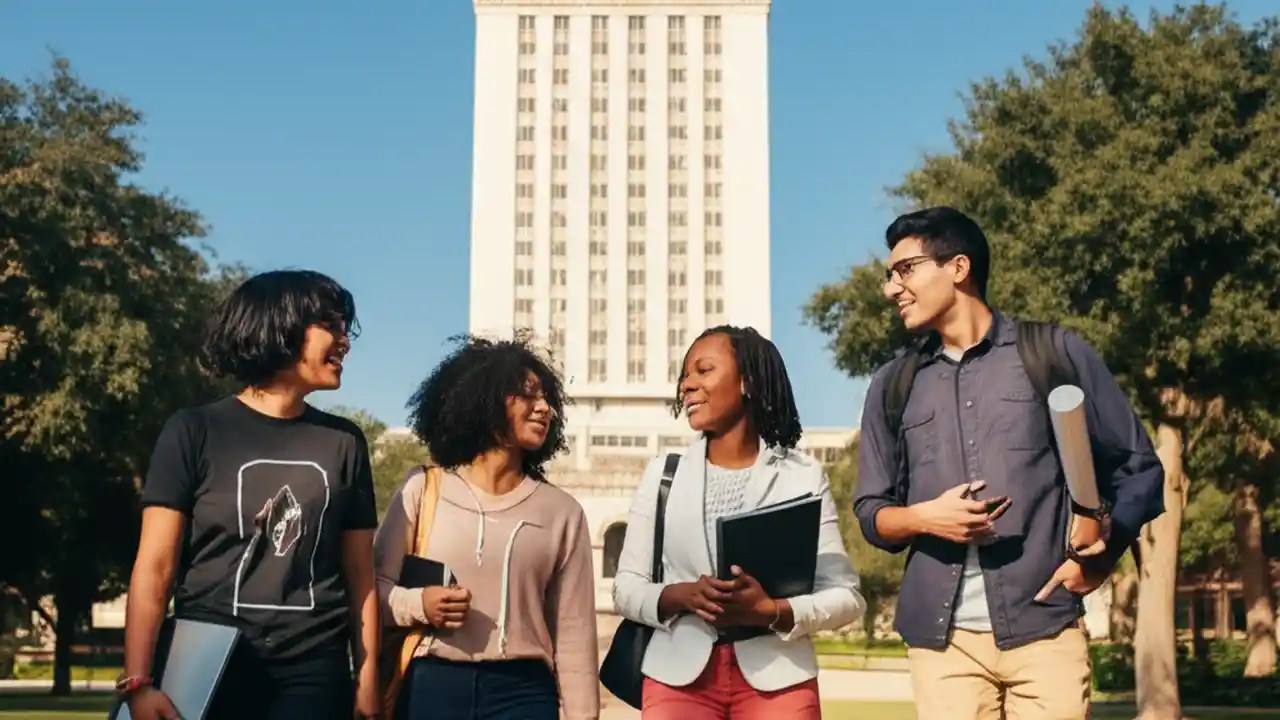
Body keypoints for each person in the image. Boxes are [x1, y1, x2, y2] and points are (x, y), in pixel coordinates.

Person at [853, 206, 1166, 720]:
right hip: (940, 644)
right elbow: (871, 511)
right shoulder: (893, 384)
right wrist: (925, 518)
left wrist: (1102, 557)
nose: (891, 288)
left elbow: (1139, 467)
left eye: (904, 270)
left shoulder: (1053, 352)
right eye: (889, 276)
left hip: (1044, 628)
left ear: (958, 267)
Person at [120, 270, 381, 720]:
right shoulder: (193, 431)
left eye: (345, 328)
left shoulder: (344, 442)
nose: (345, 342)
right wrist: (139, 682)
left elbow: (360, 575)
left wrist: (369, 675)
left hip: (313, 672)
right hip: (207, 666)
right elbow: (155, 566)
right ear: (280, 327)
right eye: (332, 326)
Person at [612, 325, 864, 719]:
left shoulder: (802, 476)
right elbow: (626, 589)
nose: (687, 385)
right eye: (685, 376)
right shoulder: (663, 475)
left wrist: (771, 610)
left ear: (747, 381)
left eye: (703, 370)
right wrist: (682, 596)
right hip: (677, 680)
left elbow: (846, 597)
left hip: (779, 678)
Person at [373, 335, 598, 720]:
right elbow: (370, 592)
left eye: (546, 398)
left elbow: (575, 631)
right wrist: (419, 605)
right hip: (431, 686)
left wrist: (584, 715)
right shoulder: (422, 490)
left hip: (525, 693)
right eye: (528, 396)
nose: (545, 409)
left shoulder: (563, 512)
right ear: (484, 401)